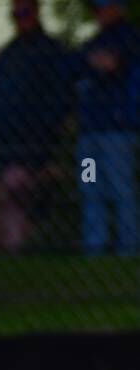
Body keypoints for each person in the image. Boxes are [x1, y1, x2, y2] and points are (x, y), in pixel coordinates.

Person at [0, 1, 71, 251]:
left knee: (26, 190)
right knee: (11, 193)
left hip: (37, 141)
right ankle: (16, 250)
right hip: (7, 140)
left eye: (25, 13)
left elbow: (59, 100)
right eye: (16, 15)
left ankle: (31, 245)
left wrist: (48, 140)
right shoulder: (9, 55)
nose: (21, 20)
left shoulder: (50, 52)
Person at [75, 0, 140, 255]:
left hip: (117, 130)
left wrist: (101, 63)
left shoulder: (130, 37)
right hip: (90, 129)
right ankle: (94, 243)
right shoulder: (94, 40)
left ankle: (129, 245)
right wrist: (97, 62)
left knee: (120, 186)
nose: (99, 13)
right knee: (90, 185)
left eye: (104, 7)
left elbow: (112, 65)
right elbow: (81, 66)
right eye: (97, 8)